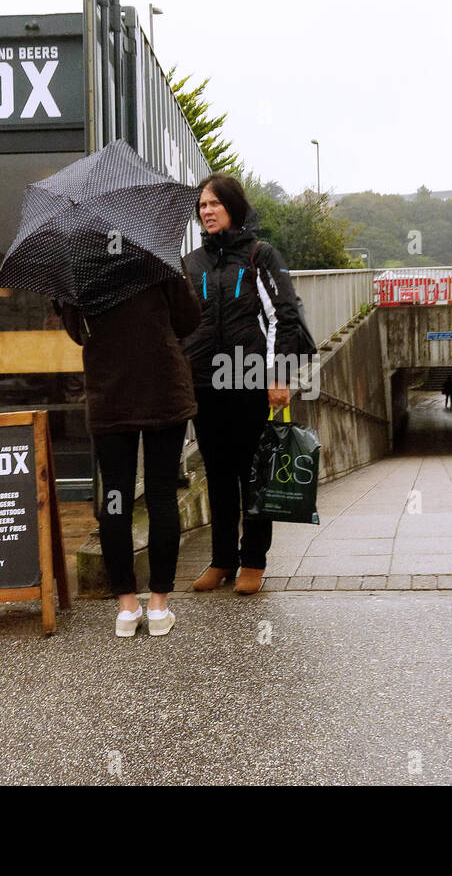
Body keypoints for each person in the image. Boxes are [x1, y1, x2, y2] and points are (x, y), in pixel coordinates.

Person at [57, 269, 201, 637]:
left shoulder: (78, 265)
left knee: (116, 497)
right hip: (162, 388)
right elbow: (187, 320)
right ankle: (158, 606)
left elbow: (78, 333)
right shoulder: (156, 251)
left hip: (110, 393)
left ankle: (126, 607)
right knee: (161, 492)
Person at [181, 172, 302, 595]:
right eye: (202, 206)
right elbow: (183, 323)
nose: (207, 211)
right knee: (217, 473)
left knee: (253, 474)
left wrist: (278, 375)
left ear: (232, 206)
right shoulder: (191, 263)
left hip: (250, 381)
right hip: (204, 384)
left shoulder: (259, 255)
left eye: (214, 203)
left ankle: (253, 560)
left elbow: (281, 316)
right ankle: (221, 561)